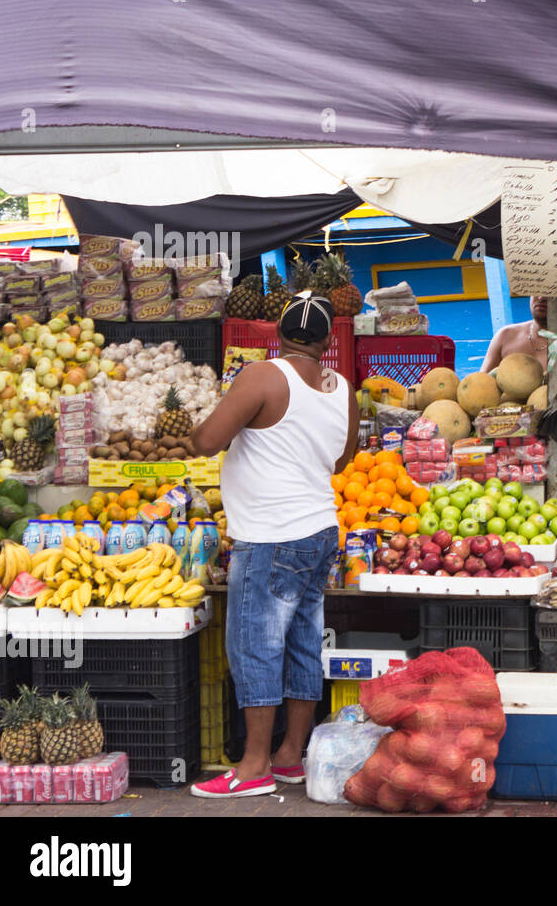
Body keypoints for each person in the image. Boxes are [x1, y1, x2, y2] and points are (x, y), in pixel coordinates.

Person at [187, 291, 358, 798]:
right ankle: (290, 757)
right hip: (319, 530)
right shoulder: (341, 388)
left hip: (269, 536)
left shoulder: (263, 376)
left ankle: (253, 765)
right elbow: (343, 460)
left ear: (276, 333)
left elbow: (205, 441)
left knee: (255, 646)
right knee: (303, 641)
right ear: (328, 340)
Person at [481, 295, 549, 372]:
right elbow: (481, 381)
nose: (541, 297)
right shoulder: (505, 336)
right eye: (537, 290)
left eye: (551, 293)